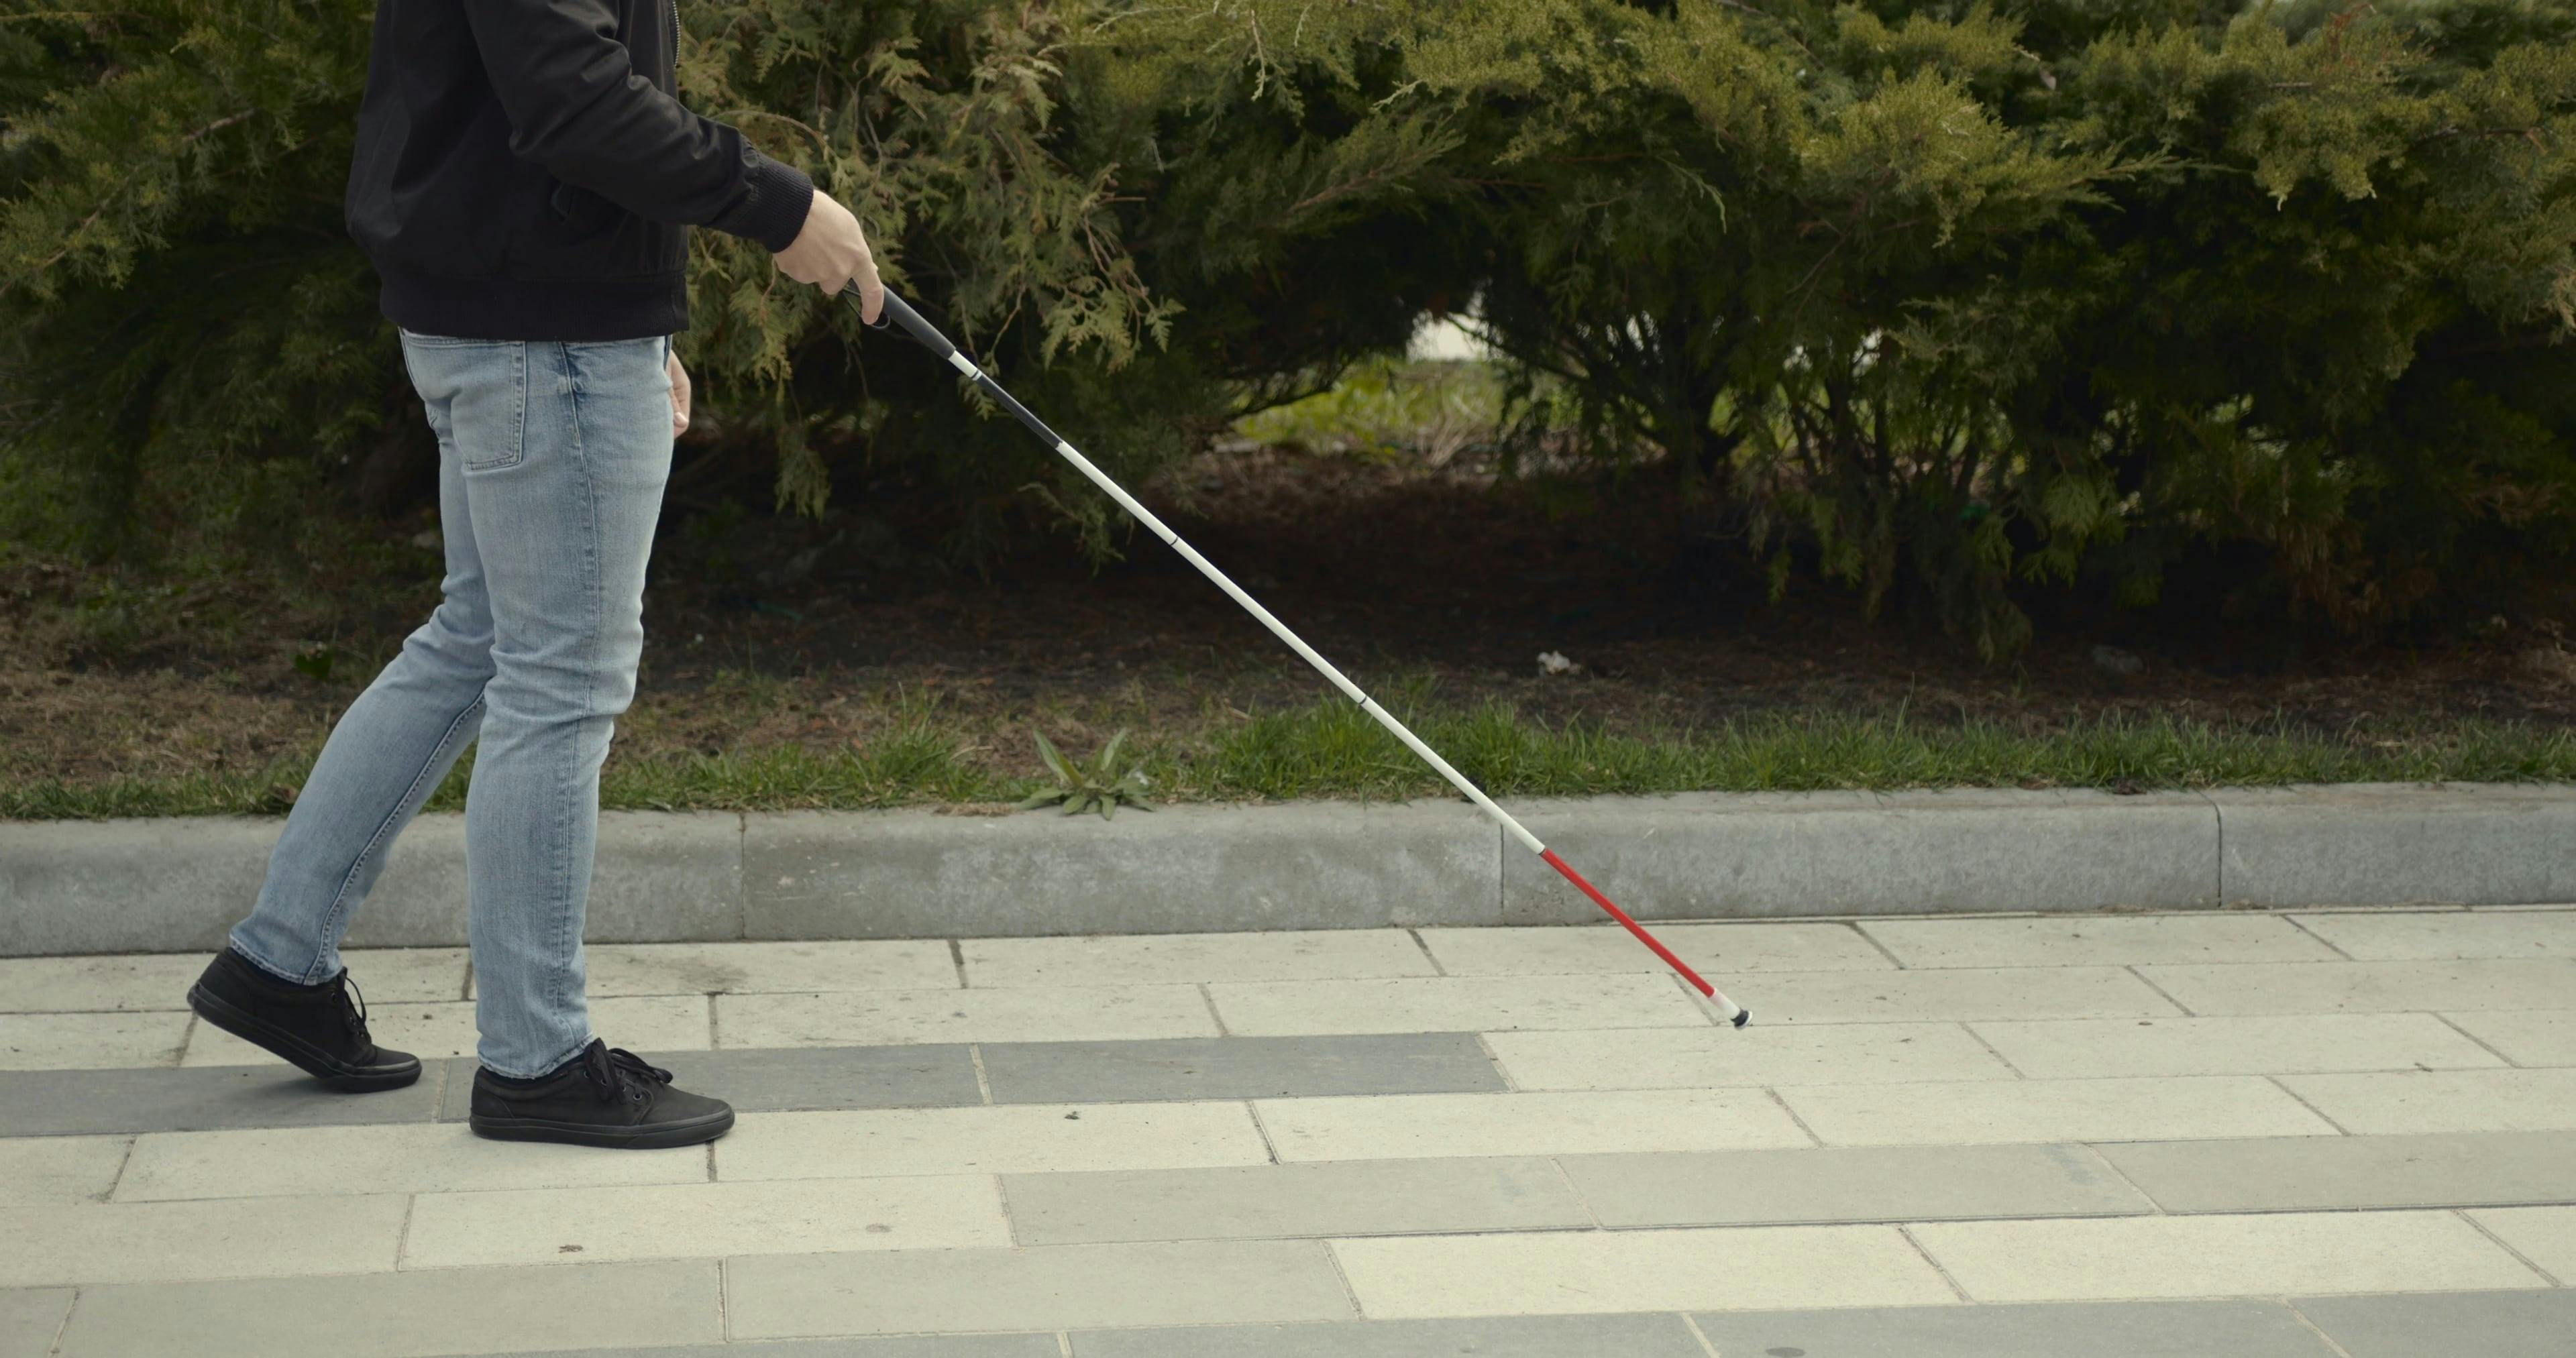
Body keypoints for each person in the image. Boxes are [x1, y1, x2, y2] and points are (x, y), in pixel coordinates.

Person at [184, 0, 880, 1150]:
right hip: (541, 329)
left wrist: (639, 325)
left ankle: (279, 958)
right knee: (560, 679)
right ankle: (536, 1057)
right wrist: (782, 207)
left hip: (529, 312)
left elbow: (540, 93)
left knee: (480, 639)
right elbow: (575, 100)